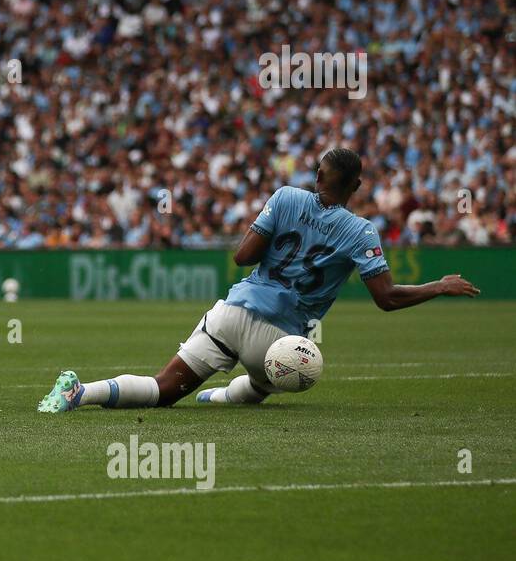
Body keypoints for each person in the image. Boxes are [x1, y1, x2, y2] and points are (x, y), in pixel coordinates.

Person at [37, 149, 480, 412]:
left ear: (318, 175)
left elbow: (241, 256)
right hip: (282, 340)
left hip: (235, 310)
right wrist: (438, 286)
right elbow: (385, 298)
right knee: (266, 384)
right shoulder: (361, 231)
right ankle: (219, 398)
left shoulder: (286, 197)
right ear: (358, 185)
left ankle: (80, 392)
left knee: (162, 391)